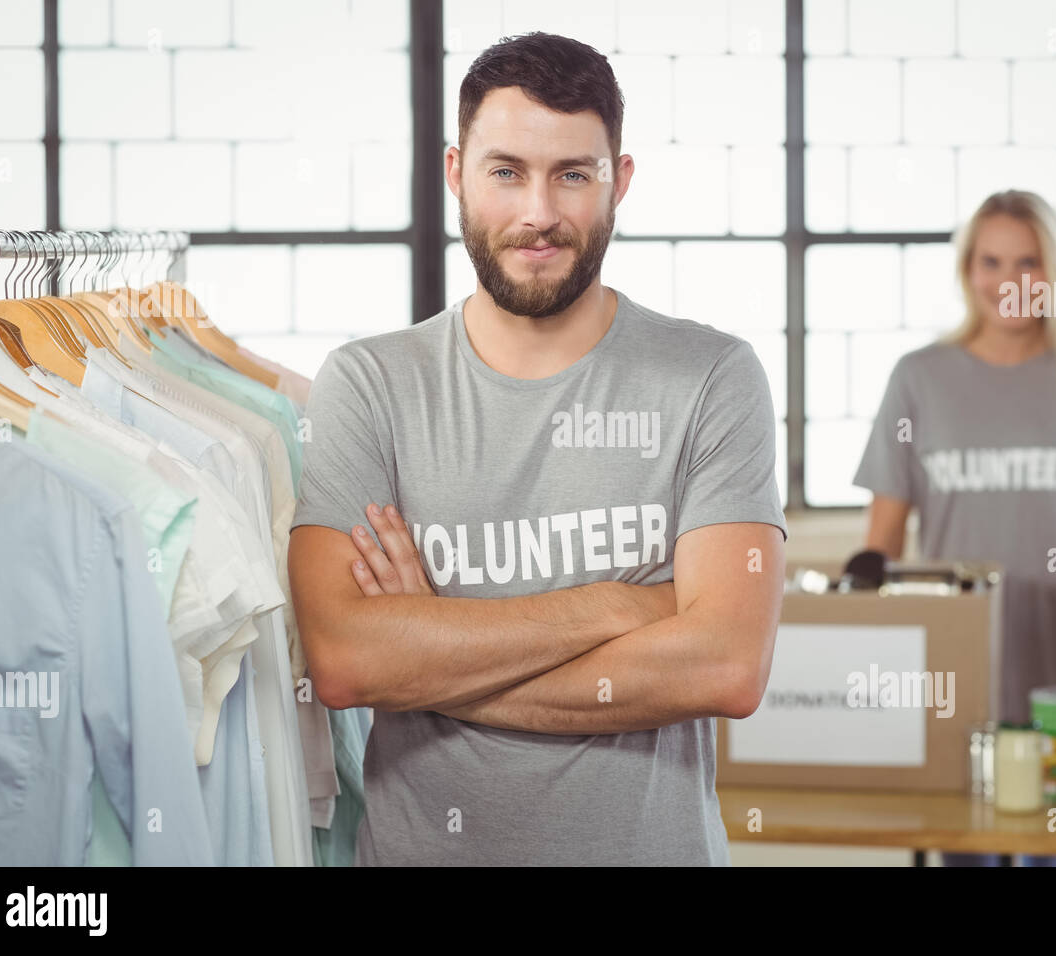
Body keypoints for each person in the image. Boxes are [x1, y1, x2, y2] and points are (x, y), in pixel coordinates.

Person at [287, 32, 787, 866]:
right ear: (456, 174)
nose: (539, 214)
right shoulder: (369, 384)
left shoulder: (711, 378)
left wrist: (434, 645)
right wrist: (624, 605)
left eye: (573, 175)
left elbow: (727, 667)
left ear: (618, 182)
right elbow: (346, 660)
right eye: (506, 171)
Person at [852, 189, 1056, 867]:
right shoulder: (918, 380)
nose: (1009, 283)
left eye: (1029, 263)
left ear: (1055, 272)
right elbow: (881, 548)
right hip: (959, 682)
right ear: (968, 271)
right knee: (966, 858)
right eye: (991, 262)